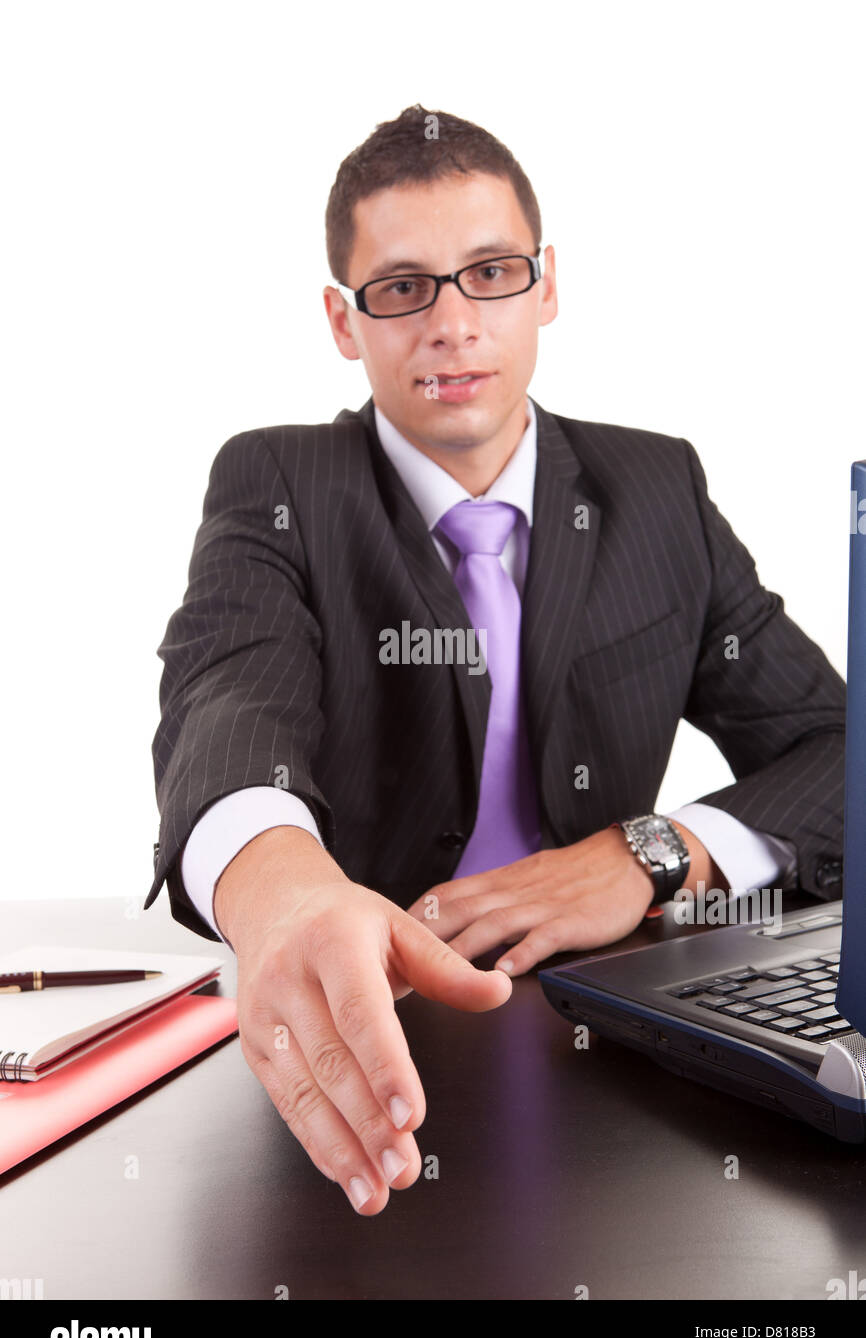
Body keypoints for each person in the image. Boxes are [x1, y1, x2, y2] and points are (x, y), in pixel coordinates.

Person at [145, 105, 845, 1215]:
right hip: (373, 1048)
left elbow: (835, 744)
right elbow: (227, 695)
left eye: (489, 272)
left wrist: (650, 852)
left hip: (627, 1056)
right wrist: (282, 900)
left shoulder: (655, 488)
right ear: (344, 320)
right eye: (403, 287)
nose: (452, 323)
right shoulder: (279, 482)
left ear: (546, 285)